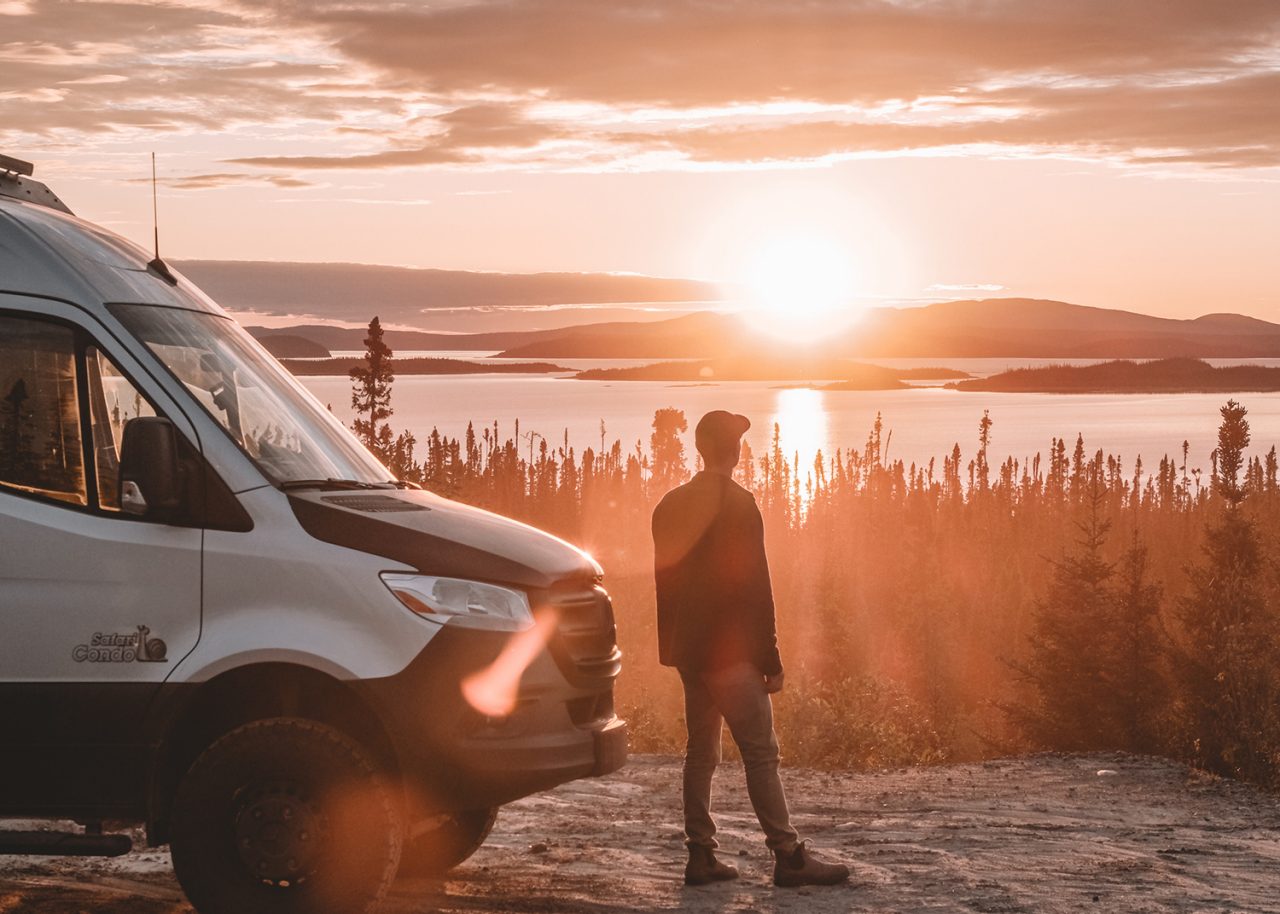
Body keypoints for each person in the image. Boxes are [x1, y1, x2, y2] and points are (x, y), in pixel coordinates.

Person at [651, 410, 850, 888]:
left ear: (701, 448)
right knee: (761, 754)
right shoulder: (740, 505)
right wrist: (771, 660)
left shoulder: (669, 504)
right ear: (733, 451)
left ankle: (700, 856)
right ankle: (789, 856)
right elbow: (754, 589)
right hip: (730, 655)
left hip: (690, 653)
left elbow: (666, 584)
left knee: (701, 752)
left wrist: (675, 648)